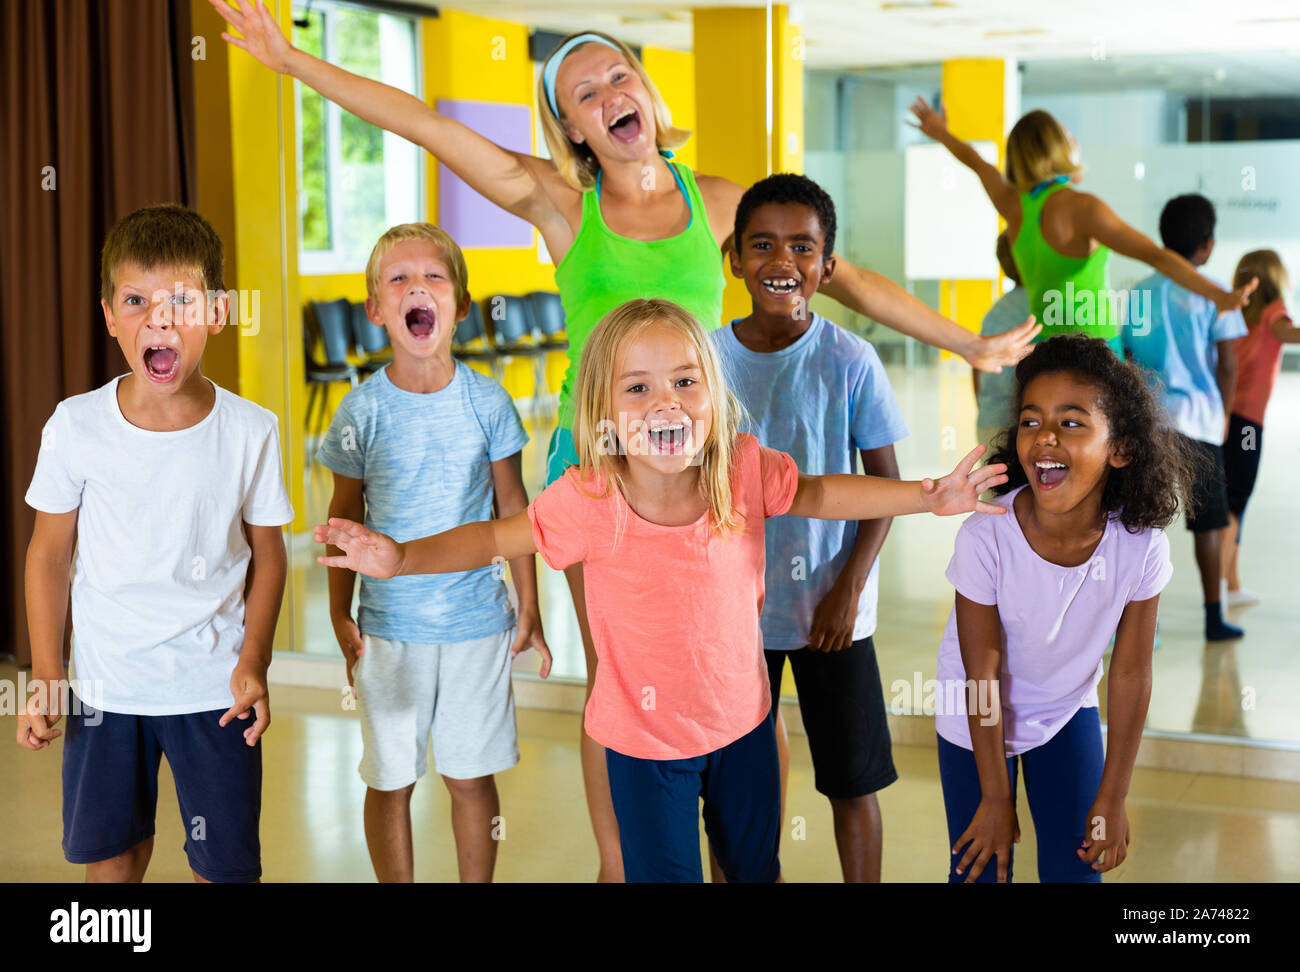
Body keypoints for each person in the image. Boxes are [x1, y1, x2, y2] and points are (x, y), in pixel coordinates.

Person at [211, 0, 1040, 880]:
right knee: (620, 675)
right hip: (602, 469)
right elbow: (423, 125)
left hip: (706, 460)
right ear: (571, 127)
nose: (609, 92)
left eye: (618, 74)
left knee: (732, 661)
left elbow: (843, 276)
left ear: (644, 90)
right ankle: (622, 860)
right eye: (584, 92)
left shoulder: (715, 200)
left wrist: (968, 342)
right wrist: (292, 63)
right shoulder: (560, 202)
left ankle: (739, 852)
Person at [316, 297, 1010, 883]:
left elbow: (824, 493)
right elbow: (495, 538)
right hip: (643, 749)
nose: (665, 403)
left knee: (751, 869)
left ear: (713, 391)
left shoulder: (741, 468)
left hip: (743, 730)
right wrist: (400, 556)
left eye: (684, 381)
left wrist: (929, 495)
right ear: (604, 410)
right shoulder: (587, 496)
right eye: (638, 387)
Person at [18, 204, 293, 883]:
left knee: (224, 865)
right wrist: (50, 675)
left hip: (214, 685)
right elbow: (49, 554)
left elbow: (271, 555)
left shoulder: (251, 429)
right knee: (112, 858)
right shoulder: (76, 425)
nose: (159, 319)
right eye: (136, 300)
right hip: (107, 686)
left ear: (218, 312)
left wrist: (253, 660)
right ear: (110, 315)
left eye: (180, 300)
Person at [316, 223, 551, 882]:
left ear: (461, 305)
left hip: (477, 625)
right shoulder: (360, 412)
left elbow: (515, 509)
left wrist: (529, 605)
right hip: (389, 631)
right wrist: (341, 616)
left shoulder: (489, 401)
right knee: (389, 782)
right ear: (375, 310)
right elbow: (343, 519)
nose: (416, 287)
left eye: (434, 278)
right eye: (398, 279)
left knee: (470, 780)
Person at [937, 335, 1197, 883]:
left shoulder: (1141, 545)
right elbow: (980, 673)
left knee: (1077, 870)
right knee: (982, 868)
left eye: (1072, 423)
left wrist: (1114, 796)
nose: (1045, 438)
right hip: (974, 721)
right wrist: (994, 794)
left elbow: (1130, 672)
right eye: (1031, 422)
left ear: (1120, 448)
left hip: (1064, 712)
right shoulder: (987, 535)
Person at [712, 173, 906, 882]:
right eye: (762, 244)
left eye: (802, 247)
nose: (781, 262)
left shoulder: (850, 360)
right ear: (734, 257)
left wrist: (849, 589)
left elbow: (885, 488)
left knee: (853, 783)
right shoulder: (701, 362)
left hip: (832, 609)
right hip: (733, 613)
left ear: (827, 265)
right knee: (734, 787)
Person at [909, 101, 1256, 353]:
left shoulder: (1012, 204)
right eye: (1068, 135)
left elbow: (977, 163)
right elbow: (1156, 256)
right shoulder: (1082, 208)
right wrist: (1219, 295)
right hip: (1097, 349)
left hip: (1045, 350)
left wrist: (941, 133)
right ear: (1058, 148)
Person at [1124, 194, 1246, 641]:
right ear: (1208, 246)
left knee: (1142, 519)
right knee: (1209, 522)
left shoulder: (1139, 292)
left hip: (1152, 422)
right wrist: (1226, 416)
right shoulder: (1214, 294)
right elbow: (1228, 364)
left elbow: (1131, 360)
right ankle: (1214, 617)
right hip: (1201, 423)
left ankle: (1140, 627)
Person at [1222, 249, 1300, 605]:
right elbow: (1290, 333)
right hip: (1249, 425)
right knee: (1237, 502)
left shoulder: (1235, 313)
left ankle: (1232, 585)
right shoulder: (1273, 314)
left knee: (1234, 501)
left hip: (1225, 420)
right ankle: (1221, 589)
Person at [975, 233, 1032, 450]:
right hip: (1020, 427)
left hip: (989, 422)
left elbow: (978, 371)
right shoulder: (1046, 308)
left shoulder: (995, 312)